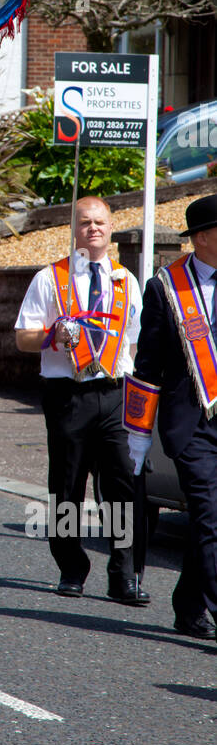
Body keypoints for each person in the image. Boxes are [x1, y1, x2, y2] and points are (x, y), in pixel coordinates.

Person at [15, 196, 147, 604]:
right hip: (67, 394)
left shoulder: (126, 280)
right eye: (85, 222)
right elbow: (23, 338)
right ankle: (71, 567)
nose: (93, 228)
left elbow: (135, 343)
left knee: (123, 484)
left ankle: (124, 574)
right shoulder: (49, 278)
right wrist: (54, 333)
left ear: (111, 227)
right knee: (68, 485)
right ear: (73, 229)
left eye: (100, 222)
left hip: (113, 393)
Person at [125, 193, 217, 638]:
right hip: (190, 423)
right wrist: (138, 434)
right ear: (201, 238)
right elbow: (149, 364)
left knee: (211, 522)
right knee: (209, 513)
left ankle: (188, 605)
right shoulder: (166, 285)